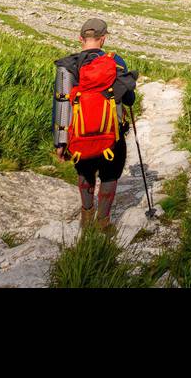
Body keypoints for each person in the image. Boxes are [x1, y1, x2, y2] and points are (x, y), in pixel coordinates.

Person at [53, 18, 136, 230]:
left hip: (79, 134)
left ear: (81, 39)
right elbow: (128, 98)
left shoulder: (68, 66)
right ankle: (103, 223)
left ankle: (86, 216)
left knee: (85, 172)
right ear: (104, 39)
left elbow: (62, 102)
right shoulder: (115, 62)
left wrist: (60, 142)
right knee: (110, 174)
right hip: (111, 133)